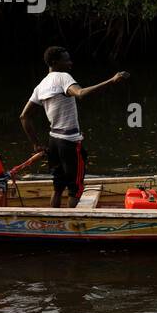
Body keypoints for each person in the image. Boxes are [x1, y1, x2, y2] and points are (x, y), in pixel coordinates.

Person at [20, 46, 129, 207]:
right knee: (75, 189)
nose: (70, 63)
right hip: (69, 142)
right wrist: (111, 81)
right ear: (55, 62)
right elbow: (81, 93)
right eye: (67, 60)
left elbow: (24, 116)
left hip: (54, 141)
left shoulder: (41, 85)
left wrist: (36, 144)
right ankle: (73, 227)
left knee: (57, 188)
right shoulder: (63, 77)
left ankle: (55, 223)